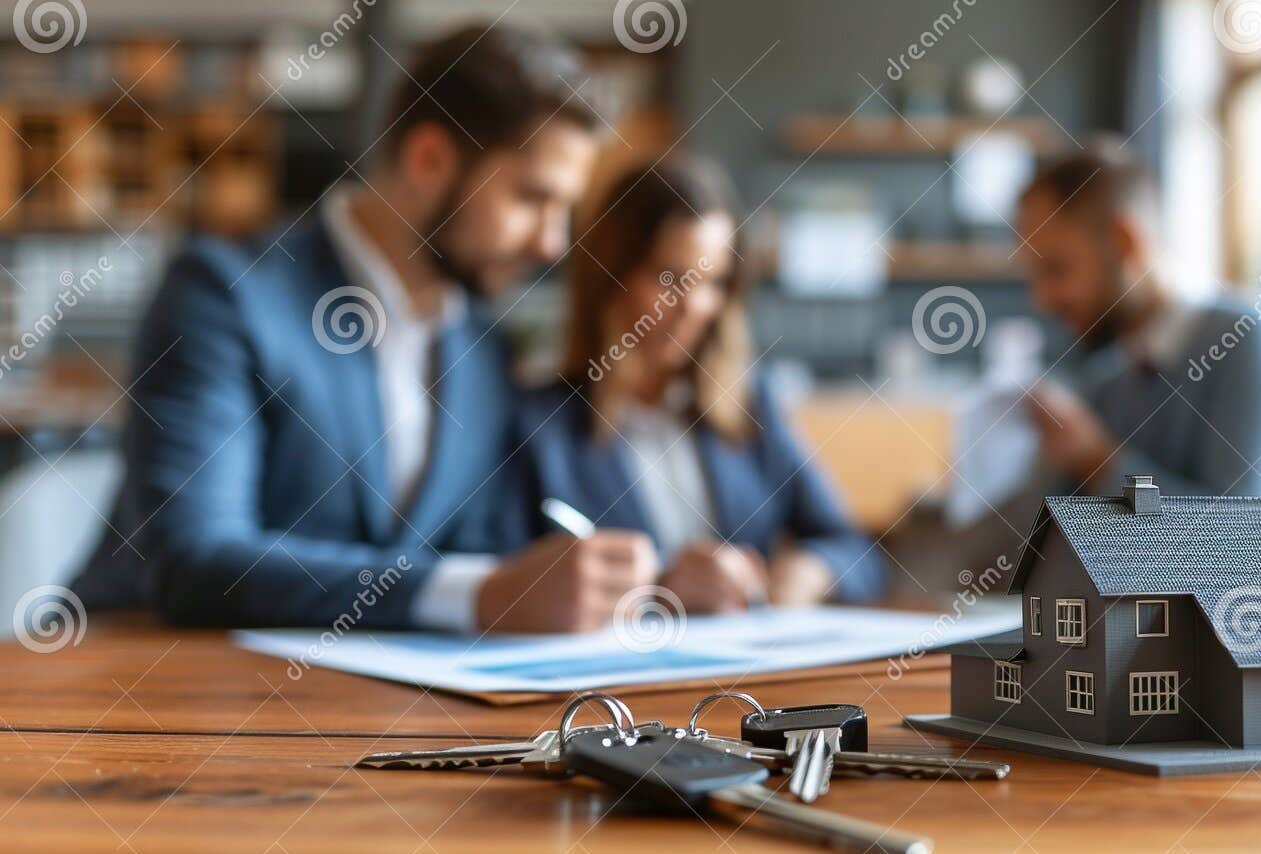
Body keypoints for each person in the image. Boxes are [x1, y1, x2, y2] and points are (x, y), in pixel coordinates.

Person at [73, 24, 657, 632]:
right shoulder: (225, 296)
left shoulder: (481, 350)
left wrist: (648, 585)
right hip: (137, 671)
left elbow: (478, 547)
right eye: (532, 199)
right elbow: (197, 560)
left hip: (364, 687)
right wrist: (477, 594)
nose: (551, 243)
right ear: (429, 160)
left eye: (564, 210)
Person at [1013, 137, 1261, 580]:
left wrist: (1097, 459)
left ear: (1125, 242)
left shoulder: (1255, 341)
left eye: (1057, 269)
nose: (1041, 299)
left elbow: (1238, 542)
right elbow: (1040, 536)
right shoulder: (1114, 377)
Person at [505, 157, 885, 616]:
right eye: (671, 279)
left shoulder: (751, 404)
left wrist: (810, 572)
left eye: (714, 281)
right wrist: (659, 586)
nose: (696, 306)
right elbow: (506, 583)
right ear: (609, 277)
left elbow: (855, 551)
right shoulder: (538, 426)